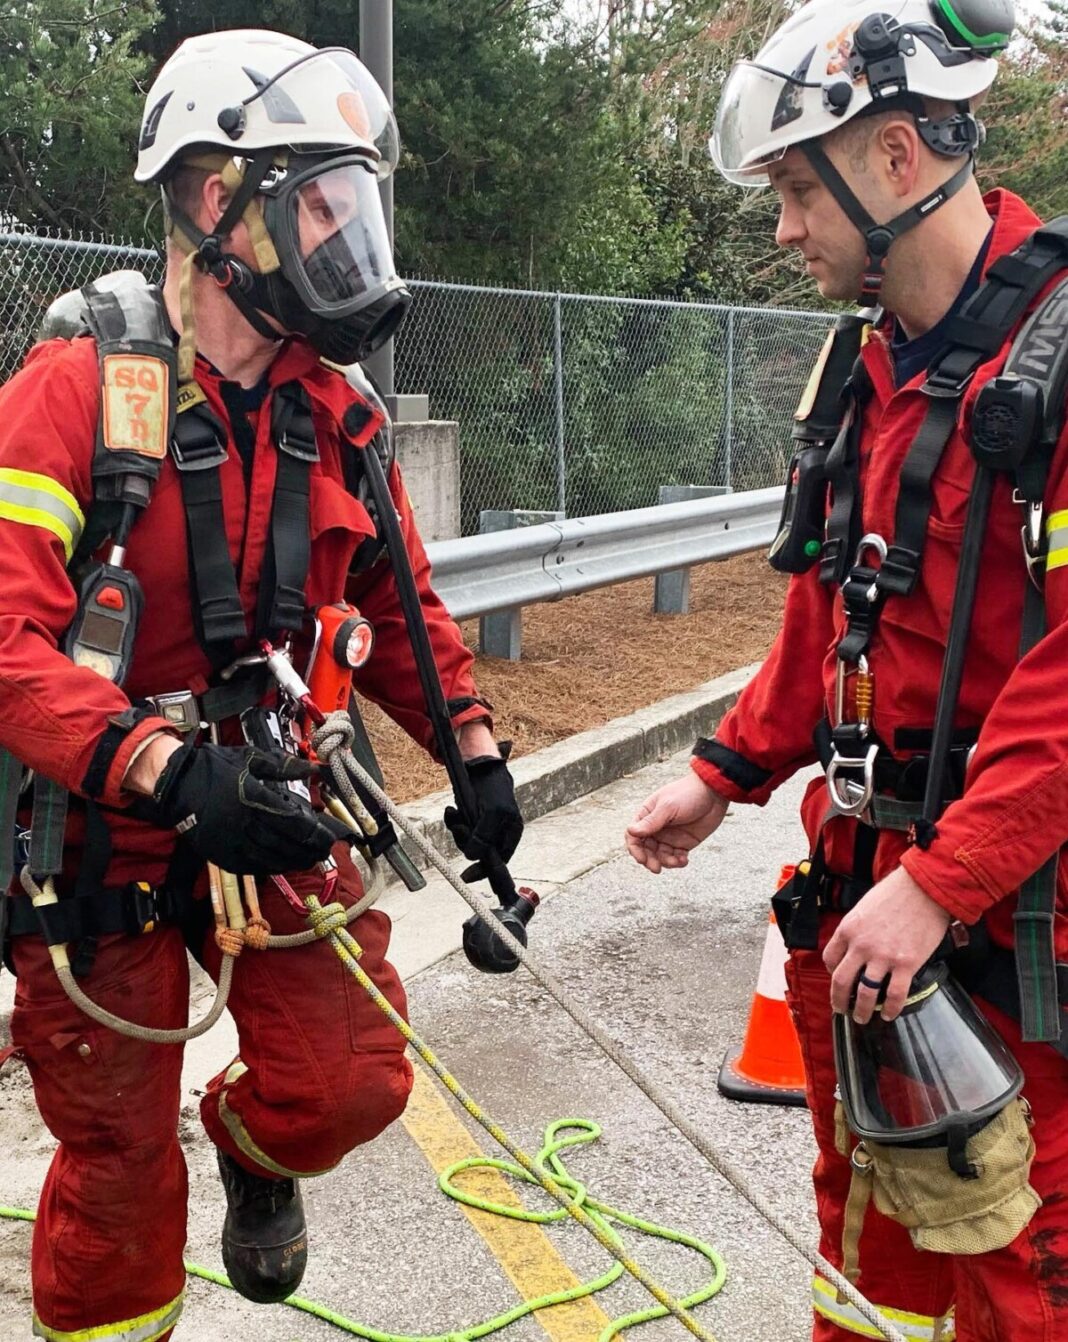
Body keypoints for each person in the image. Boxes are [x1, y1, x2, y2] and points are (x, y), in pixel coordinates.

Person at [0, 29, 522, 1342]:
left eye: (357, 204)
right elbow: (6, 641)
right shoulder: (73, 399)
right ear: (213, 203)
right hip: (103, 823)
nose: (349, 233)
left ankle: (247, 1142)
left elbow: (405, 611)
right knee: (115, 1158)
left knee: (347, 1079)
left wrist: (475, 754)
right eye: (323, 202)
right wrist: (171, 771)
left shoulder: (332, 412)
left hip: (278, 803)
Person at [626, 1, 1068, 1338]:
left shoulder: (1051, 369)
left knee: (1019, 1251)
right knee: (871, 1231)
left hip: (1015, 921)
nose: (781, 231)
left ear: (890, 159)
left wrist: (945, 879)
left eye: (793, 192)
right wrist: (728, 765)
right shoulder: (869, 363)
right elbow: (842, 603)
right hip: (874, 904)